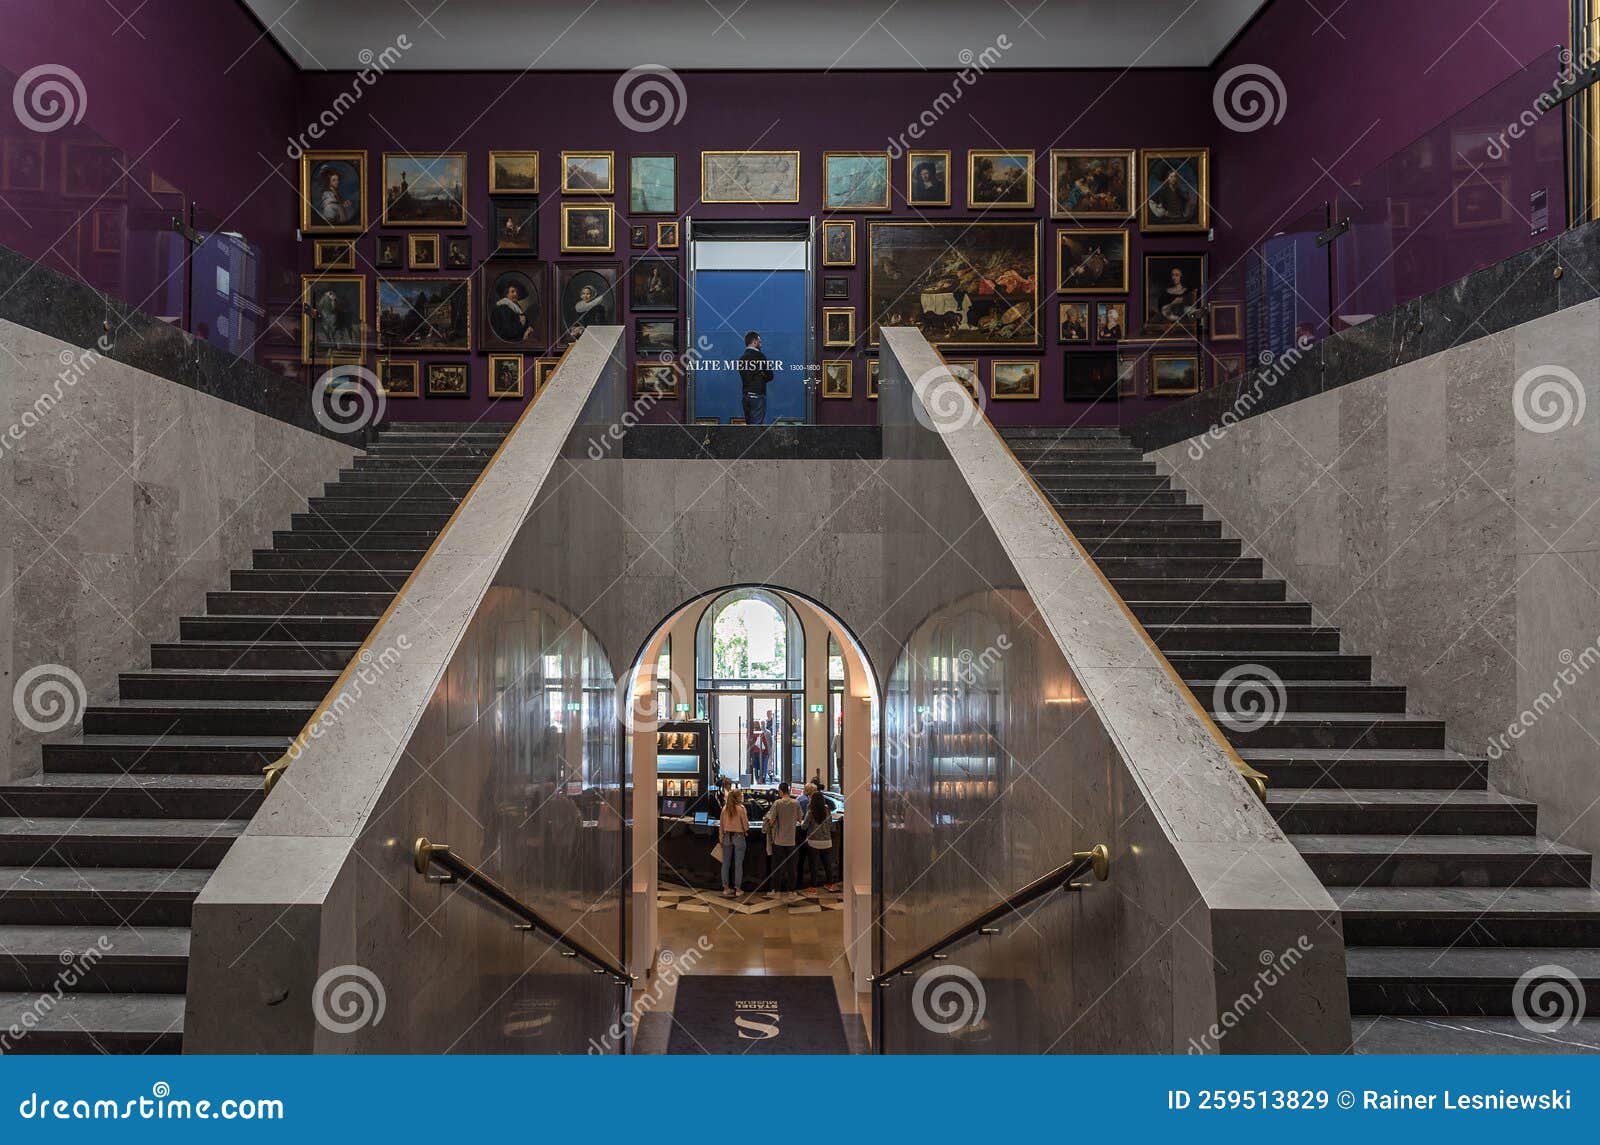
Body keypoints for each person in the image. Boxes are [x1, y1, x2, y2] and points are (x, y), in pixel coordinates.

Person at [762, 781, 801, 899]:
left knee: (777, 867)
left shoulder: (777, 803)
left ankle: (777, 891)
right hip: (791, 840)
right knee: (791, 867)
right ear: (788, 790)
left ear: (780, 791)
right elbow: (800, 818)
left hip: (778, 840)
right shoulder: (796, 803)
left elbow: (771, 819)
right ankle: (792, 891)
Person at [799, 790, 835, 895]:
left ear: (812, 800)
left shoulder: (811, 811)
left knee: (813, 865)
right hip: (827, 841)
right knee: (827, 864)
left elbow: (804, 826)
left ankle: (814, 887)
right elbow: (831, 826)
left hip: (813, 841)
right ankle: (830, 884)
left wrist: (801, 821)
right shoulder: (827, 810)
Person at [737, 330, 773, 425]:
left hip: (746, 395)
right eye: (759, 341)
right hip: (758, 395)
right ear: (754, 341)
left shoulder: (742, 358)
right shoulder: (760, 356)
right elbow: (770, 375)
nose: (761, 344)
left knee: (749, 426)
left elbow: (745, 376)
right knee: (756, 428)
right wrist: (761, 376)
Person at [719, 789, 749, 898]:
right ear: (738, 797)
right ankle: (738, 889)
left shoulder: (724, 808)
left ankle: (726, 888)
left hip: (727, 836)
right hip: (739, 837)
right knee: (738, 864)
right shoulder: (741, 809)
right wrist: (746, 831)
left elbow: (721, 825)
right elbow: (746, 825)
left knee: (725, 864)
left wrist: (721, 838)